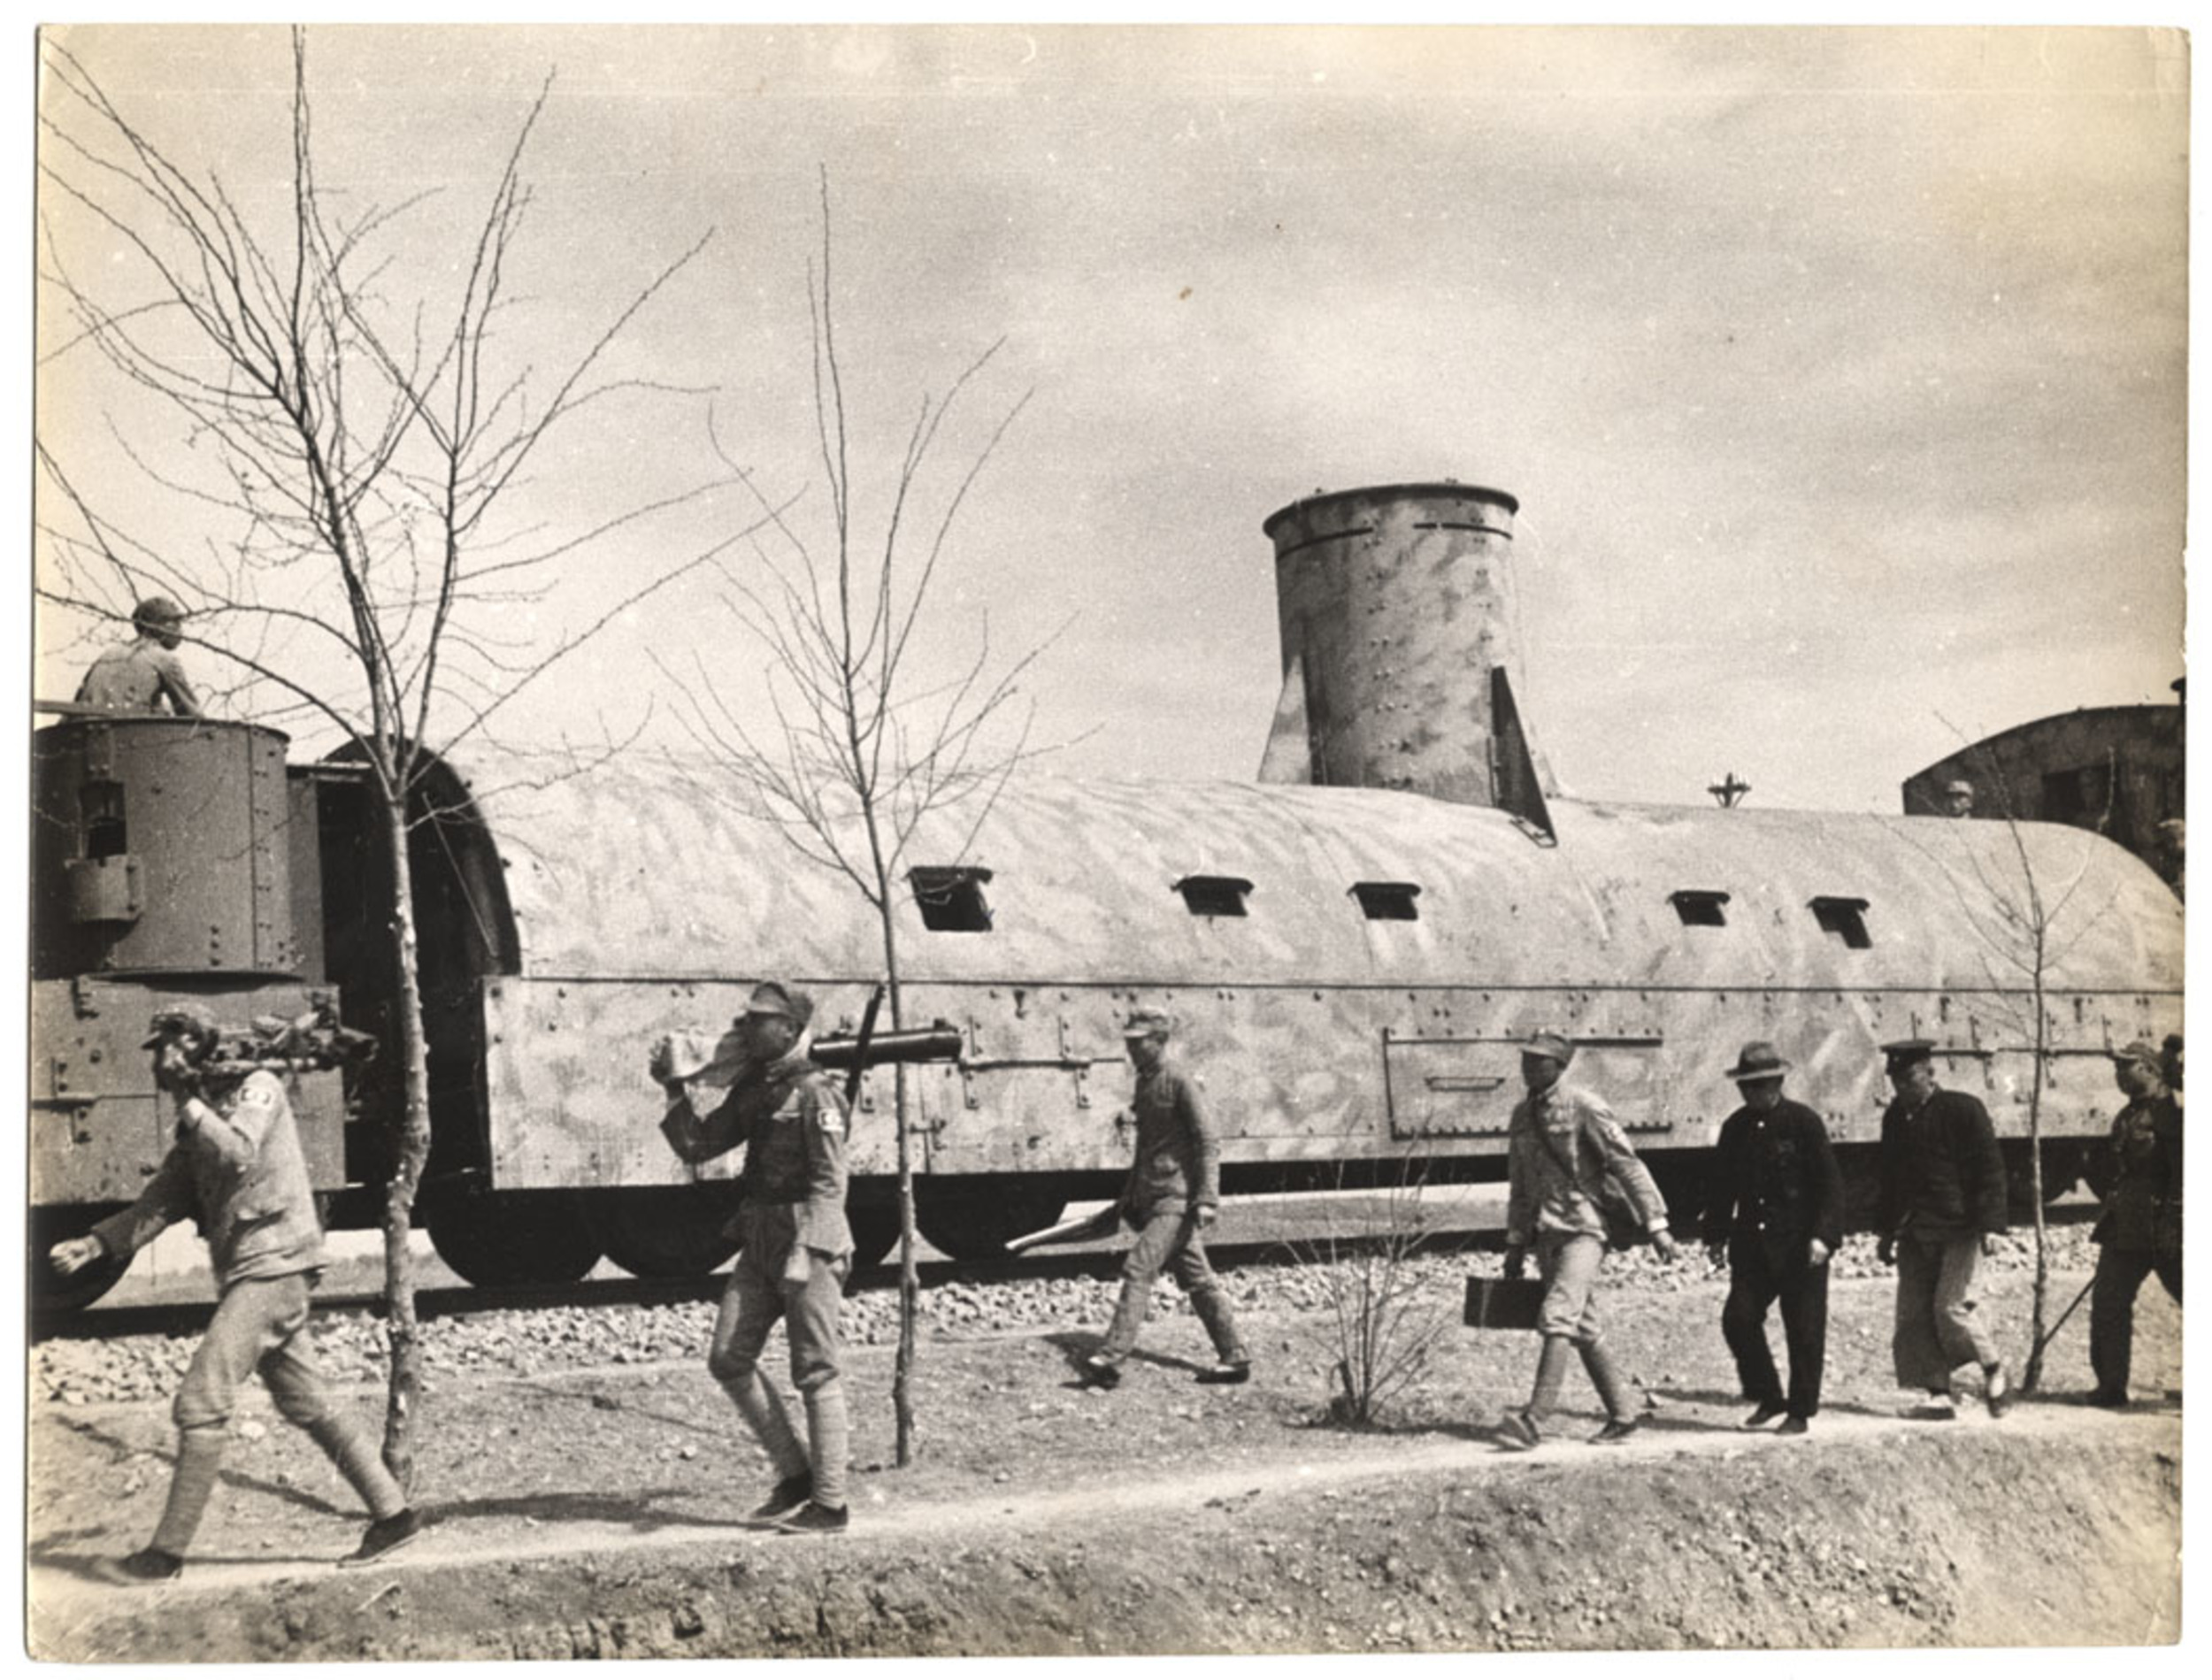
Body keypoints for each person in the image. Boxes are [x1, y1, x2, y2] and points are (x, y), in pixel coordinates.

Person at [47, 1006, 419, 1582]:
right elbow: (160, 1203)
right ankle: (394, 1516)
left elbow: (239, 1151)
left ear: (203, 1046)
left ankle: (165, 1555)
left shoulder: (257, 1089)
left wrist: (188, 1103)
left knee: (201, 1399)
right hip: (258, 1270)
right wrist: (97, 1246)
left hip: (276, 1267)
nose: (161, 1060)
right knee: (308, 1403)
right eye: (158, 1050)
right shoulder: (200, 1118)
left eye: (172, 1047)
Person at [654, 981, 854, 1533]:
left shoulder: (817, 1093)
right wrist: (675, 1092)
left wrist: (805, 1252)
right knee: (728, 1357)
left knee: (815, 1370)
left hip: (807, 1238)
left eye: (760, 1019)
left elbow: (829, 1183)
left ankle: (831, 1503)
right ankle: (795, 1475)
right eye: (746, 1018)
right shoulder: (757, 1089)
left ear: (790, 1029)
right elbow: (698, 1144)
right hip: (761, 1234)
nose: (747, 1027)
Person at [1498, 1032, 1676, 1448]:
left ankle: (1534, 1419)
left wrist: (1657, 1224)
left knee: (1557, 1316)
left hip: (1585, 1229)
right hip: (1547, 1235)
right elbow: (1520, 1186)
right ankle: (1624, 1414)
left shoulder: (1585, 1107)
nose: (1527, 1066)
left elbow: (1626, 1164)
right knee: (1584, 1327)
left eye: (1537, 1060)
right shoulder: (1522, 1116)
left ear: (1559, 1066)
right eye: (1525, 1058)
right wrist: (1514, 1244)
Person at [1079, 1008, 1252, 1389]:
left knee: (1138, 1269)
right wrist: (1129, 1197)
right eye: (1128, 1042)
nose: (1131, 1048)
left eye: (1138, 1042)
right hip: (1155, 1197)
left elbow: (1207, 1141)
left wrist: (1207, 1198)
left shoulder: (1178, 1081)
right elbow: (1146, 1150)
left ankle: (1109, 1359)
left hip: (1176, 1198)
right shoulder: (1146, 1082)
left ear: (1160, 1041)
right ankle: (1235, 1357)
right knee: (1199, 1280)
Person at [1702, 1041, 1844, 1436]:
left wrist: (1824, 1237)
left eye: (1760, 1086)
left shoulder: (1804, 1123)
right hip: (1752, 1248)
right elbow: (1721, 1188)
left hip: (1801, 1247)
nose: (1752, 1094)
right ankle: (1768, 1396)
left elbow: (1830, 1186)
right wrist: (1714, 1236)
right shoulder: (1735, 1128)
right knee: (1738, 1319)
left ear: (1777, 1083)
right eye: (1746, 1087)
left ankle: (1799, 1412)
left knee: (1804, 1330)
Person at [1874, 1039, 2011, 1418]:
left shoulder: (1963, 1110)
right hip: (1914, 1230)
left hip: (1959, 1228)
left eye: (1910, 1078)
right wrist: (1885, 1232)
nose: (1902, 1088)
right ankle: (1938, 1394)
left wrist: (1991, 1227)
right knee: (1914, 1314)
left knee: (1951, 1309)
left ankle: (1994, 1369)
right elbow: (1889, 1179)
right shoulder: (1895, 1119)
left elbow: (1990, 1170)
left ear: (1930, 1074)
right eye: (1897, 1081)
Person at [2086, 1040, 2183, 1408]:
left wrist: (2178, 1222)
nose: (2118, 1076)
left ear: (2148, 1068)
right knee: (2109, 1301)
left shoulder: (2174, 1112)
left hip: (2169, 1227)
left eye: (2125, 1068)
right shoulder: (2128, 1115)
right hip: (2128, 1228)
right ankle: (2111, 1385)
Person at [75, 597, 203, 717]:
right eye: (174, 624)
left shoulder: (109, 654)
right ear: (155, 627)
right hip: (126, 731)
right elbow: (193, 716)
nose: (180, 631)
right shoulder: (164, 659)